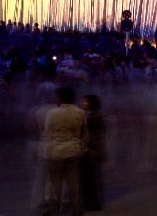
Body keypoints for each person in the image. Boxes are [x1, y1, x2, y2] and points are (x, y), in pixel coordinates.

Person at [42, 85, 87, 216]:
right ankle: (76, 209)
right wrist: (82, 148)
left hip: (55, 151)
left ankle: (54, 209)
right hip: (73, 150)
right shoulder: (80, 112)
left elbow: (48, 132)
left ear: (60, 98)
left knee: (55, 182)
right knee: (73, 182)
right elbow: (84, 134)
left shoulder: (52, 113)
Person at [80, 93, 106, 211]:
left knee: (90, 179)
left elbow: (92, 135)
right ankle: (90, 203)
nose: (83, 103)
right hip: (92, 150)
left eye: (85, 101)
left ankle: (91, 204)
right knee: (89, 179)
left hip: (91, 151)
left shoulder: (93, 117)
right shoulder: (93, 116)